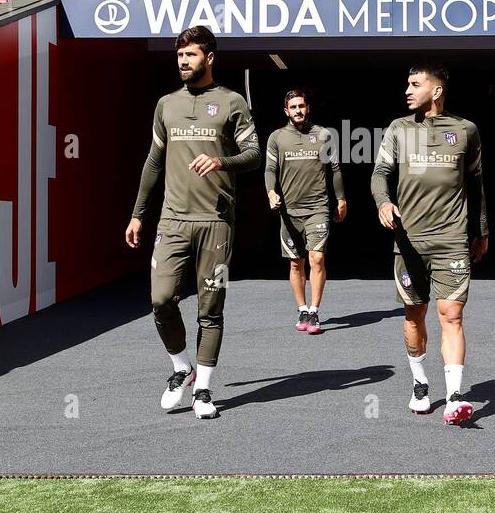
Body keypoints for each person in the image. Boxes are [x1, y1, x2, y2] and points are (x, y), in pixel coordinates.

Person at [125, 25, 260, 420]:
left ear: (210, 58)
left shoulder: (232, 102)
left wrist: (222, 161)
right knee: (161, 299)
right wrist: (137, 213)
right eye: (180, 55)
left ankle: (202, 389)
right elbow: (153, 162)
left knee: (210, 308)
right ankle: (181, 366)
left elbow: (253, 153)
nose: (184, 61)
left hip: (216, 221)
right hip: (172, 220)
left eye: (191, 55)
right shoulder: (166, 104)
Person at [371, 64, 488, 425]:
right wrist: (383, 202)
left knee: (451, 315)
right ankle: (420, 382)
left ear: (436, 91)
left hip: (452, 239)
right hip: (408, 243)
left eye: (415, 84)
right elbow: (380, 175)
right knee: (414, 315)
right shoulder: (398, 129)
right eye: (407, 83)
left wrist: (481, 230)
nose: (407, 90)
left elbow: (477, 184)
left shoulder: (466, 130)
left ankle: (454, 396)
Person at [264, 89, 347, 334]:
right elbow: (270, 170)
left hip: (317, 208)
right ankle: (301, 308)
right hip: (289, 211)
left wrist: (341, 199)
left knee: (317, 258)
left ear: (307, 108)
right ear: (286, 111)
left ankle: (314, 311)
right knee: (295, 263)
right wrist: (271, 192)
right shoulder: (277, 137)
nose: (298, 110)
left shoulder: (322, 135)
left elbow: (336, 169)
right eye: (293, 107)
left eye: (302, 105)